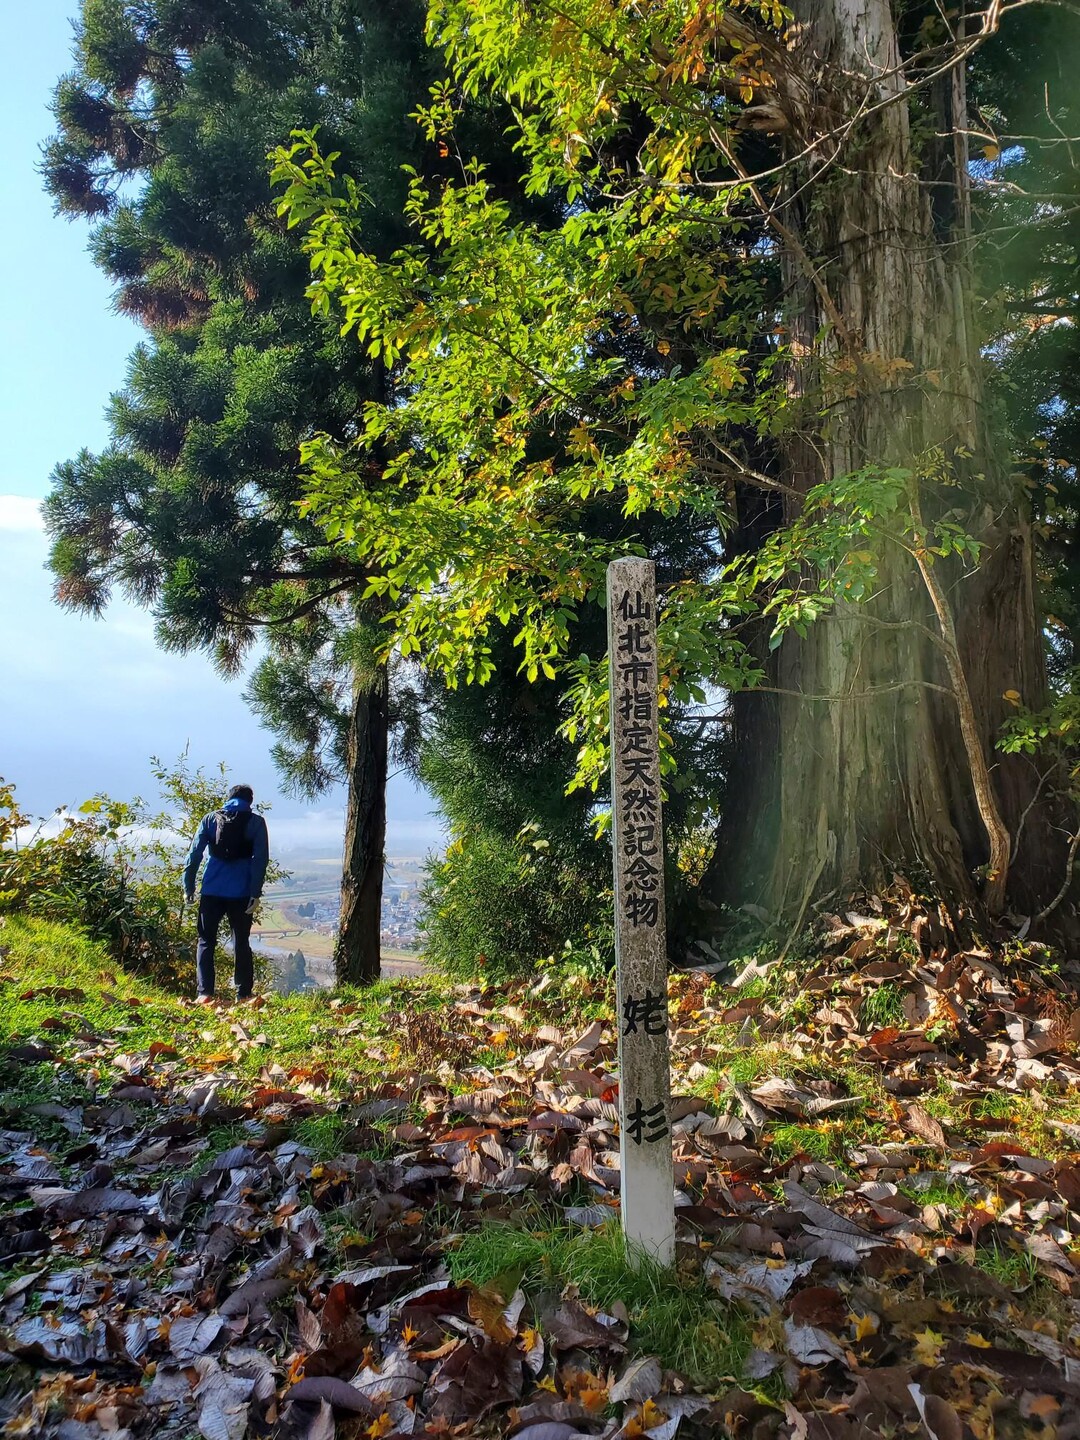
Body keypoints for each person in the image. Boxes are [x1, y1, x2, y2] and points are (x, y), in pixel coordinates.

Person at [182, 784, 269, 1004]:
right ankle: (243, 994)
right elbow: (260, 860)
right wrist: (255, 892)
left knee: (206, 941)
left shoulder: (210, 819)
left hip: (212, 890)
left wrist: (188, 886)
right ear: (250, 801)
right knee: (241, 942)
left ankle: (205, 993)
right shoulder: (256, 823)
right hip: (241, 892)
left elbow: (194, 855)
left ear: (228, 798)